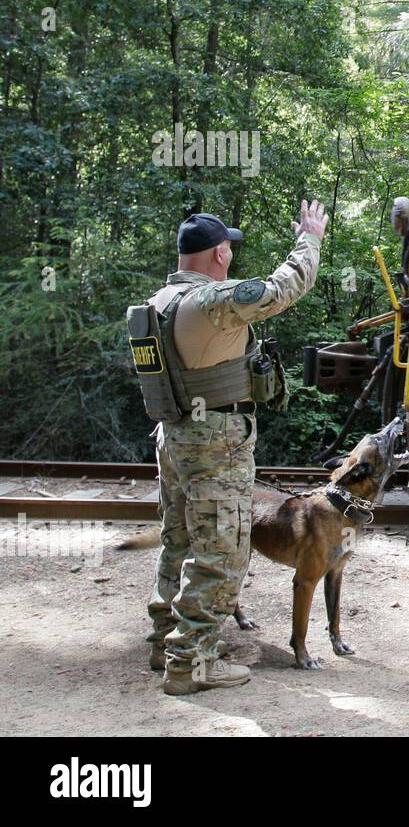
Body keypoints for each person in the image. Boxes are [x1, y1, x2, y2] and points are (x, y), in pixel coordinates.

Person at [128, 202, 327, 695]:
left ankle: (164, 642)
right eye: (230, 249)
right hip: (214, 442)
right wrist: (310, 237)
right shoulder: (211, 301)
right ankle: (192, 662)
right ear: (220, 253)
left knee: (179, 540)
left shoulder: (158, 301)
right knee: (222, 551)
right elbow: (284, 288)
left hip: (172, 436)